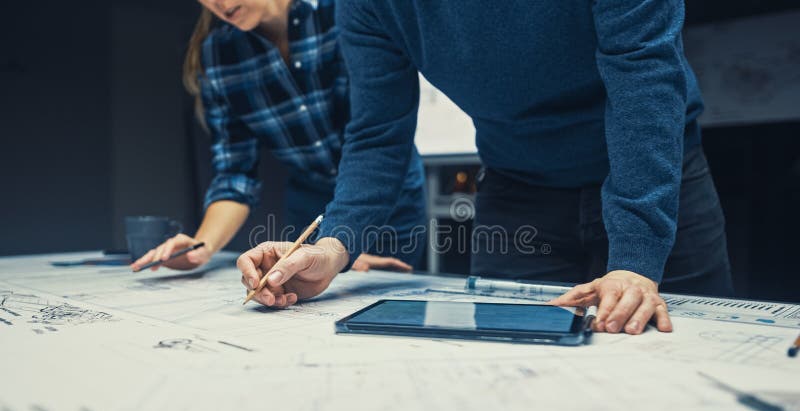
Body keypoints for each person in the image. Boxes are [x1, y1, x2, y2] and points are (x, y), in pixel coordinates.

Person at [237, 0, 735, 334]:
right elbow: (378, 133)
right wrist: (332, 247)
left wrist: (635, 260)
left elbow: (644, 79)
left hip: (656, 181)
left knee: (673, 363)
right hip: (519, 189)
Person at [131, 0, 427, 284]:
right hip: (310, 204)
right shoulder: (219, 56)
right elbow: (235, 176)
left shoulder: (344, 10)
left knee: (379, 315)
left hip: (385, 198)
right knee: (305, 310)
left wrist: (342, 249)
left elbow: (380, 136)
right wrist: (201, 246)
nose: (217, 3)